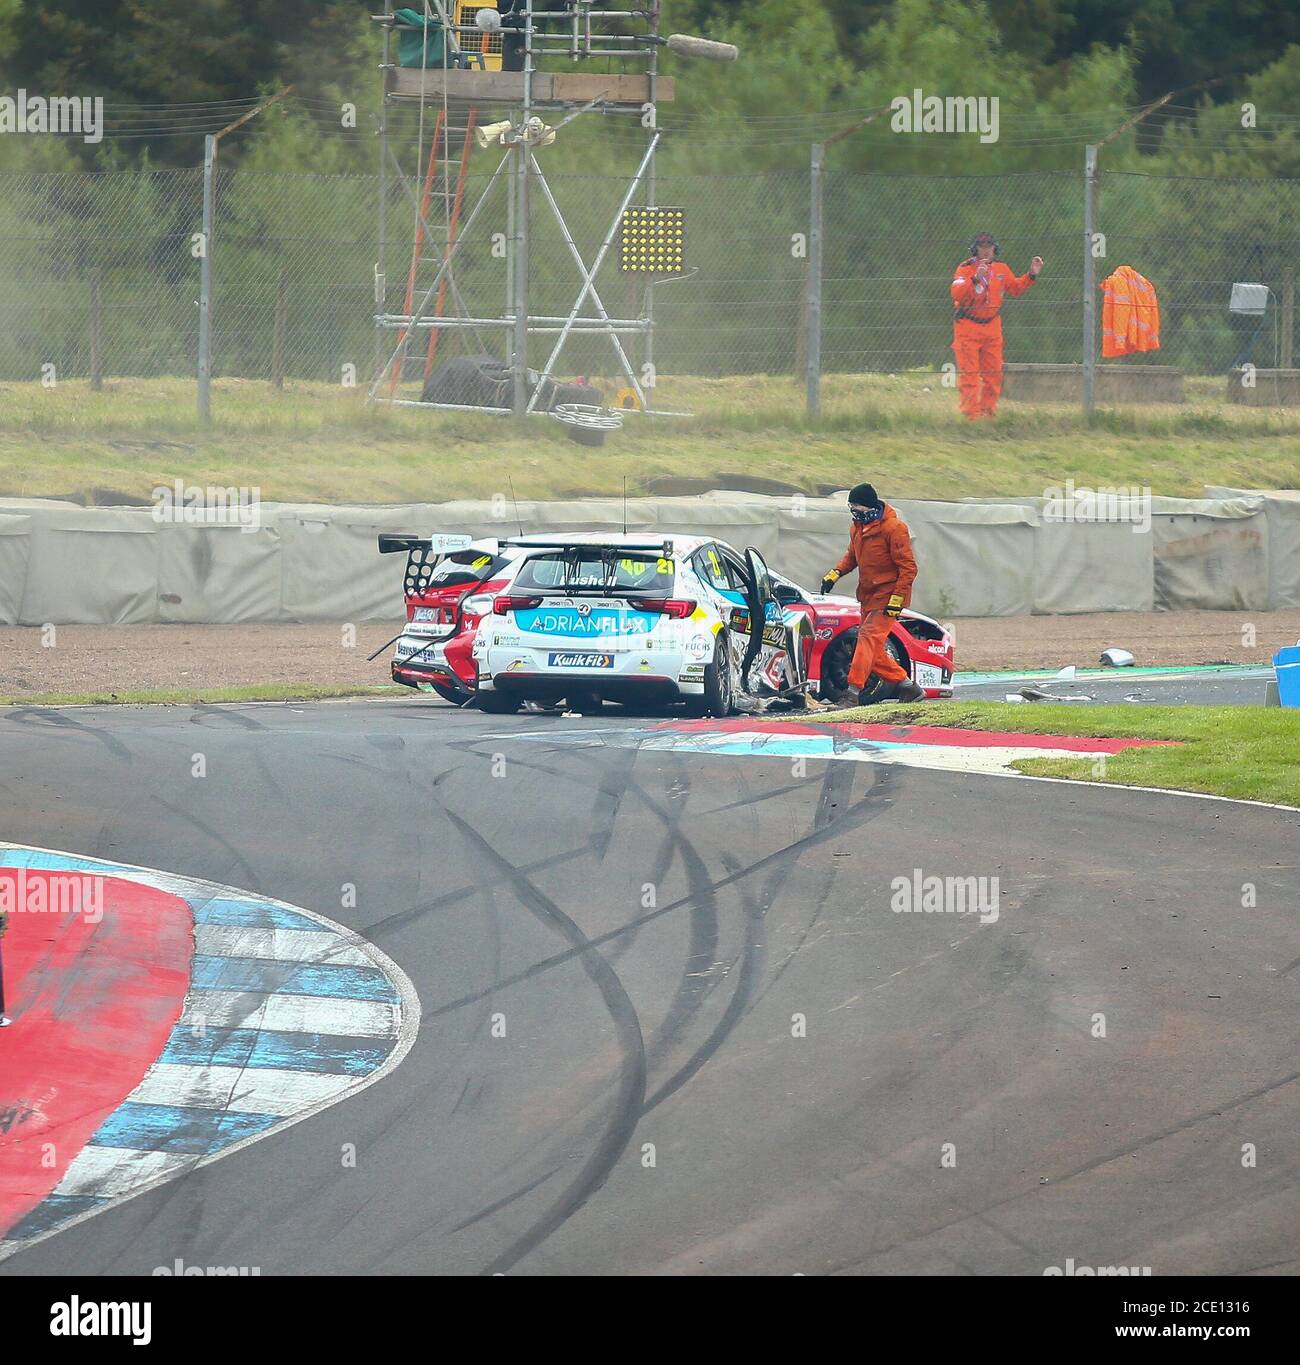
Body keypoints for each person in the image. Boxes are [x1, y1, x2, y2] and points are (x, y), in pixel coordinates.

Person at [820, 484, 924, 705]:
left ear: (869, 505)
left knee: (867, 638)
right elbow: (851, 557)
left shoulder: (895, 528)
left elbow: (908, 568)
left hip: (888, 598)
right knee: (870, 648)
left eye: (856, 506)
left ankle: (852, 693)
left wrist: (896, 600)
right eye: (851, 507)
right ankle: (908, 687)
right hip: (868, 596)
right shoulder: (857, 527)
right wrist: (834, 574)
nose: (853, 511)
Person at [950, 232, 1043, 419]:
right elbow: (957, 294)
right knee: (969, 374)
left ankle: (987, 413)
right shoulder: (964, 268)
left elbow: (1015, 288)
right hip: (968, 326)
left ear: (995, 248)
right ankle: (971, 416)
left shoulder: (1001, 268)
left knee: (994, 374)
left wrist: (1031, 275)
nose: (986, 250)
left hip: (992, 326)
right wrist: (975, 278)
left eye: (989, 247)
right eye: (982, 247)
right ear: (975, 249)